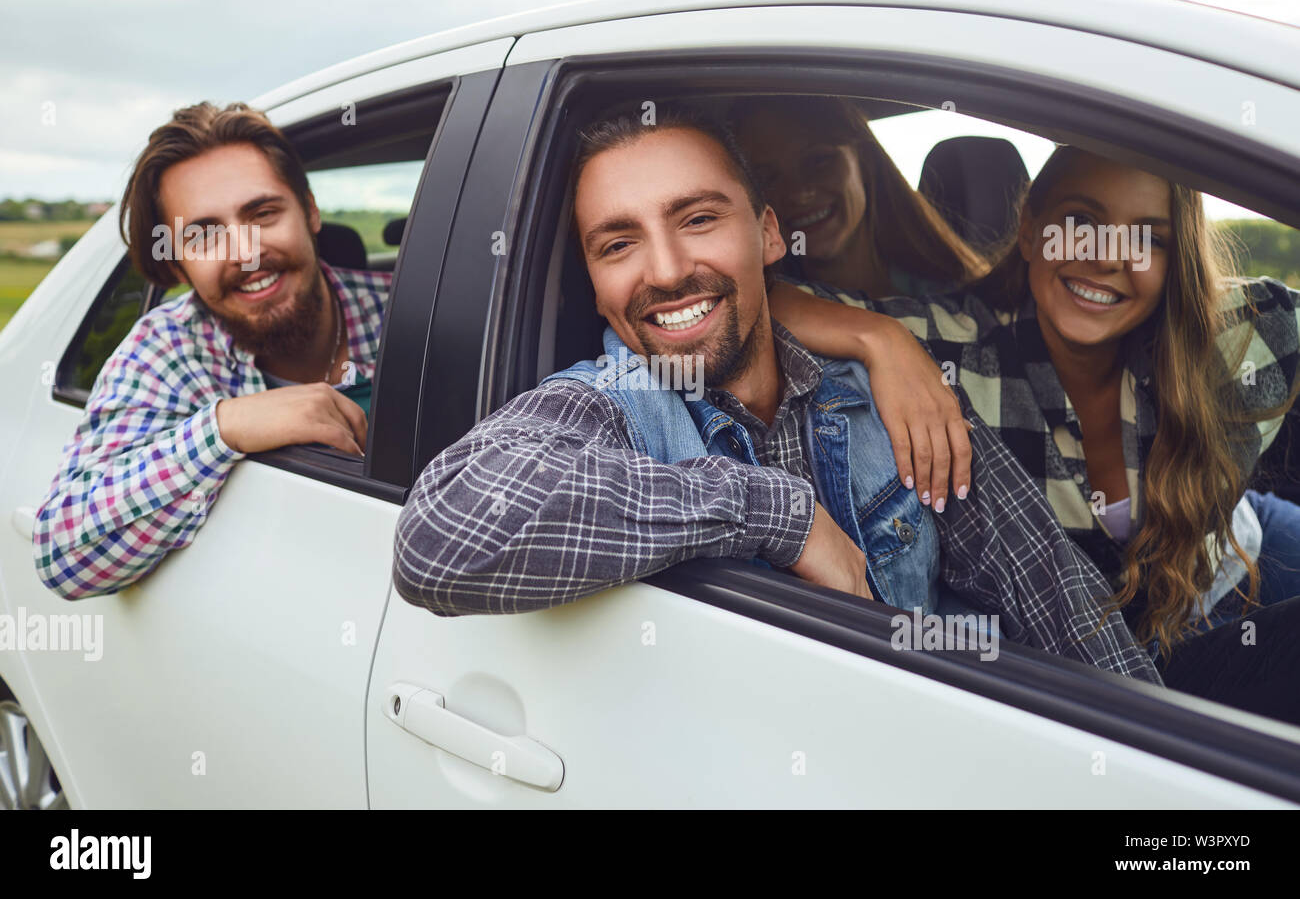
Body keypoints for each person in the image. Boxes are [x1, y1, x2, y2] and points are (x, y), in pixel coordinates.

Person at [391, 107, 1160, 683]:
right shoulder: (605, 407)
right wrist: (776, 515)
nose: (662, 271)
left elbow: (1066, 613)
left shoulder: (892, 402)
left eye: (697, 218)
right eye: (618, 244)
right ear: (594, 286)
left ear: (766, 237)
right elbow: (441, 537)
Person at [768, 145, 1300, 715]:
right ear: (1030, 232)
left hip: (1229, 574)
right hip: (1117, 677)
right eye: (1080, 223)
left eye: (1147, 238)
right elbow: (759, 301)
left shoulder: (1238, 341)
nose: (1106, 258)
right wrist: (880, 339)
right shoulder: (955, 348)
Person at [34, 102, 390, 599]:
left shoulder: (408, 308)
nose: (245, 252)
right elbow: (64, 557)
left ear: (309, 211)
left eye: (263, 213)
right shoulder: (166, 351)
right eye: (204, 235)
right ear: (177, 265)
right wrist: (226, 427)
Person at [730, 95, 988, 298]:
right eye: (767, 178)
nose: (799, 194)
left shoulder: (960, 302)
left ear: (865, 161)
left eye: (819, 161)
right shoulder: (759, 317)